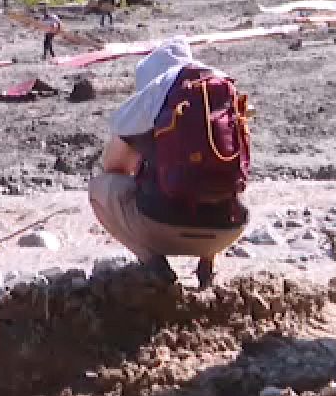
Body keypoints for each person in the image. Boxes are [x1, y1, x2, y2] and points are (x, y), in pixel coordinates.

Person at [87, 40, 250, 289]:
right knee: (215, 178)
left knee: (100, 187)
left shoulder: (154, 93)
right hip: (229, 226)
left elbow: (114, 166)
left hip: (161, 225)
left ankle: (153, 264)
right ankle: (209, 263)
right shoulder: (223, 93)